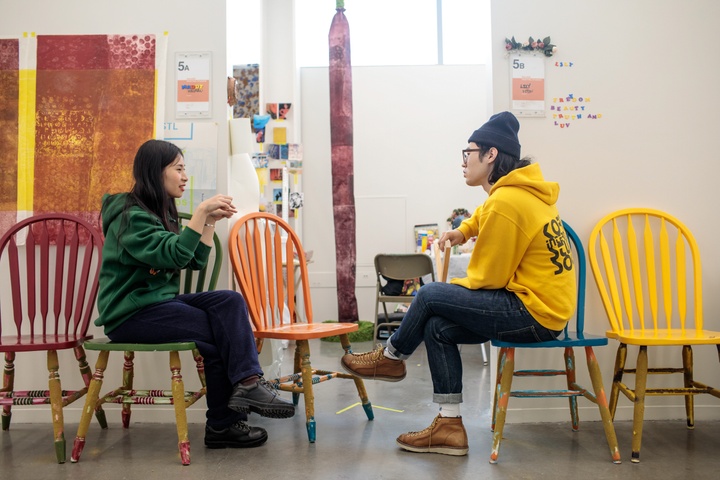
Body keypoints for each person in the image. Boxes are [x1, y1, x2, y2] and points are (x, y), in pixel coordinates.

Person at [341, 111, 576, 456]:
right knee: (436, 326)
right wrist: (462, 230)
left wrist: (449, 292)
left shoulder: (508, 202)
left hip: (533, 313)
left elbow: (487, 278)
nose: (463, 162)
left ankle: (391, 357)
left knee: (431, 294)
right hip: (545, 310)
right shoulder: (519, 191)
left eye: (468, 153)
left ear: (490, 154)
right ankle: (449, 426)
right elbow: (484, 213)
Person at [96, 139, 295, 450]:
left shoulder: (161, 210)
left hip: (158, 304)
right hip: (130, 313)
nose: (185, 176)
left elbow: (195, 261)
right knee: (219, 334)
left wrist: (210, 222)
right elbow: (173, 256)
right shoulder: (128, 214)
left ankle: (244, 391)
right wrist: (201, 211)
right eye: (178, 168)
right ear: (154, 172)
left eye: (185, 168)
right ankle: (227, 416)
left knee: (229, 300)